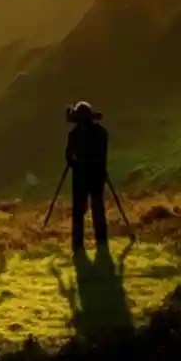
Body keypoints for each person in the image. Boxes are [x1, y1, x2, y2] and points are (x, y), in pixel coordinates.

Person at [65, 101, 109, 254]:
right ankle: (102, 242)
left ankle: (78, 245)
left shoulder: (74, 134)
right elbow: (103, 155)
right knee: (98, 208)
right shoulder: (101, 133)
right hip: (97, 173)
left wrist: (76, 164)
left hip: (80, 176)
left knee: (78, 212)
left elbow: (69, 157)